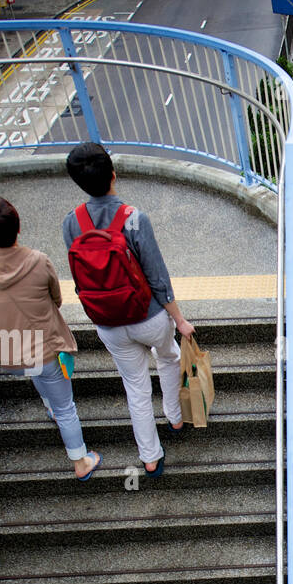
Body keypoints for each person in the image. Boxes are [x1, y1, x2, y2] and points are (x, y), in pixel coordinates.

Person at [62, 143, 195, 478]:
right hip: (147, 316)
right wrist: (179, 319)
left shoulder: (71, 223)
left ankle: (150, 458)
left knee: (135, 385)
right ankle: (175, 417)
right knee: (169, 356)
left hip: (107, 322)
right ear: (113, 175)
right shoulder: (134, 219)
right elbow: (157, 277)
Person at [0, 197, 101, 480]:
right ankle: (81, 462)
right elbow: (56, 299)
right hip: (44, 347)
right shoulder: (38, 261)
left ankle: (48, 406)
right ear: (18, 228)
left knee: (34, 368)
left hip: (7, 351)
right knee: (66, 408)